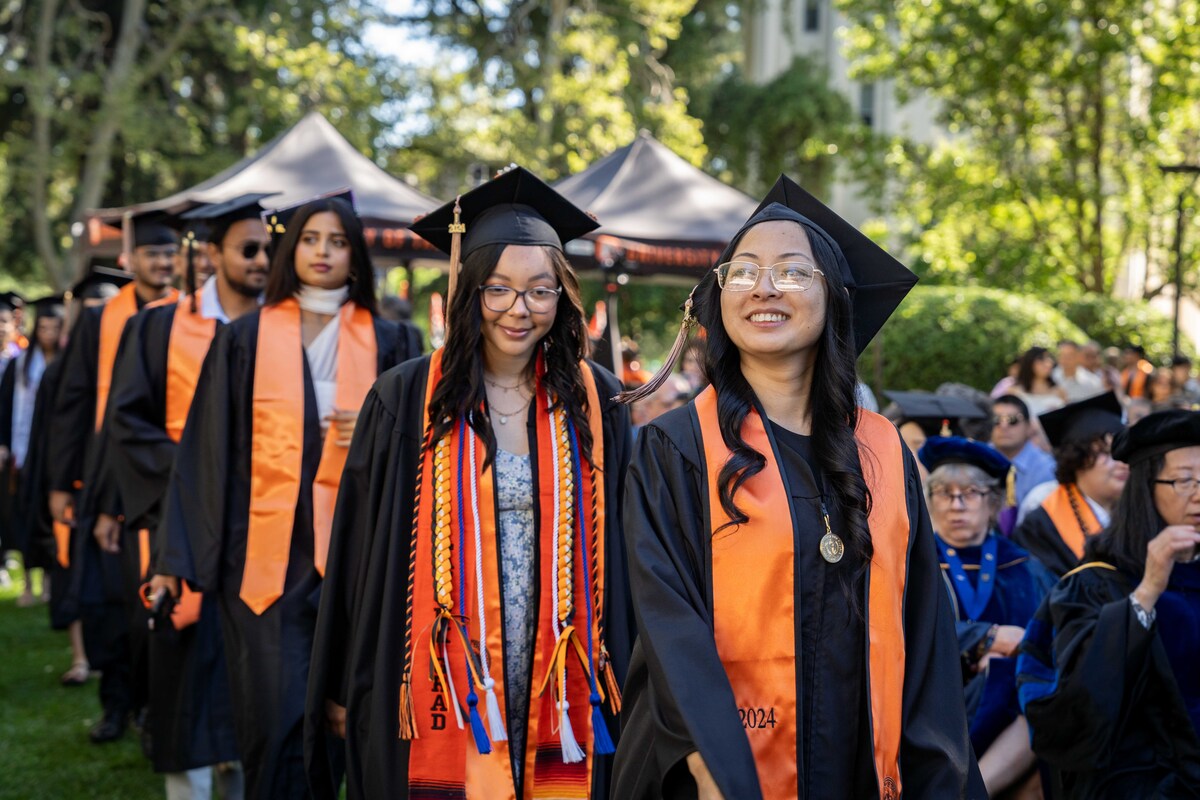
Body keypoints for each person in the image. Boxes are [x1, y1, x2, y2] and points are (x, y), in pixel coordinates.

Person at [612, 175, 983, 798]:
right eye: (743, 271)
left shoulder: (885, 450)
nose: (762, 287)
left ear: (834, 298)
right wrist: (716, 770)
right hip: (716, 769)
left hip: (862, 762)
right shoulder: (676, 447)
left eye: (790, 272)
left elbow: (923, 636)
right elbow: (670, 631)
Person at [305, 167, 634, 800]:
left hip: (560, 669)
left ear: (562, 297)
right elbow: (359, 547)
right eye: (499, 290)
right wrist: (345, 680)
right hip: (444, 670)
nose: (520, 309)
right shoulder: (407, 397)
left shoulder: (597, 402)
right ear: (468, 291)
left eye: (540, 291)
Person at [156, 191, 420, 799]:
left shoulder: (393, 342)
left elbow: (424, 444)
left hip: (362, 556)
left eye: (337, 240)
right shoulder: (244, 339)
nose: (323, 252)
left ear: (355, 254)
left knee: (360, 714)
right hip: (265, 563)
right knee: (275, 721)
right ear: (289, 249)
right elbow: (205, 451)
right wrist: (176, 559)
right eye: (310, 239)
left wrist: (377, 434)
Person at [107, 194, 279, 800]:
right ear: (212, 254)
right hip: (182, 525)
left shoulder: (283, 332)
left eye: (268, 249)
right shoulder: (156, 327)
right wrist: (201, 472)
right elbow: (127, 424)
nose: (263, 260)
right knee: (183, 671)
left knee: (252, 673)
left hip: (264, 530)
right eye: (249, 249)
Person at [1017, 409, 1200, 797]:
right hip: (1143, 783)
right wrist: (1146, 593)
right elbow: (1074, 708)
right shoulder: (1096, 582)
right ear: (1146, 487)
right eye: (1185, 480)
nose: (1199, 493)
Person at [49, 213, 181, 744]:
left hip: (162, 473)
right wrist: (63, 481)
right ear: (130, 260)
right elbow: (73, 403)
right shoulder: (100, 318)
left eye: (169, 253)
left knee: (156, 599)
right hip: (107, 475)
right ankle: (116, 704)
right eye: (153, 253)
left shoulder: (187, 316)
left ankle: (153, 706)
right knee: (110, 600)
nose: (163, 262)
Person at [918, 437, 1055, 798]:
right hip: (934, 706)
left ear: (994, 501)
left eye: (971, 492)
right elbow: (902, 634)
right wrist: (986, 638)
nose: (956, 505)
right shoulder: (912, 564)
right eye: (944, 493)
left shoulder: (1027, 568)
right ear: (929, 501)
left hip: (1015, 719)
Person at [1012, 392, 1128, 575]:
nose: (1122, 463)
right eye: (1107, 453)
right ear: (1077, 459)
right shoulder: (1040, 527)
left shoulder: (1138, 511)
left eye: (1124, 453)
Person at [0, 297, 65, 607]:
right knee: (25, 517)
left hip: (57, 456)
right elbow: (4, 408)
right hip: (23, 455)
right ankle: (27, 584)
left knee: (52, 523)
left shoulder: (68, 363)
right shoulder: (20, 364)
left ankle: (51, 583)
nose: (49, 333)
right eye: (43, 327)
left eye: (55, 327)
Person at [989, 395, 1056, 509]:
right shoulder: (977, 458)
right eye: (997, 420)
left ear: (1029, 426)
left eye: (1013, 420)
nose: (1004, 426)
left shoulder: (1046, 468)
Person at [1012, 346, 1066, 417]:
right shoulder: (1015, 392)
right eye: (1041, 359)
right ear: (1030, 363)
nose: (1049, 363)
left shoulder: (1059, 391)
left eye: (1049, 358)